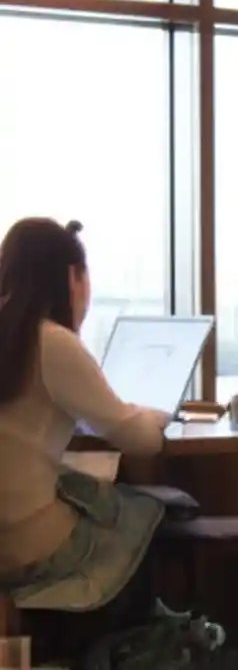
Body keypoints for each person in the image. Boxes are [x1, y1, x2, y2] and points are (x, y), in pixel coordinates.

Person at [0, 218, 169, 661]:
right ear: (71, 277)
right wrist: (156, 416)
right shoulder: (52, 342)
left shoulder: (15, 336)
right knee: (147, 525)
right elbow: (139, 439)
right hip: (26, 545)